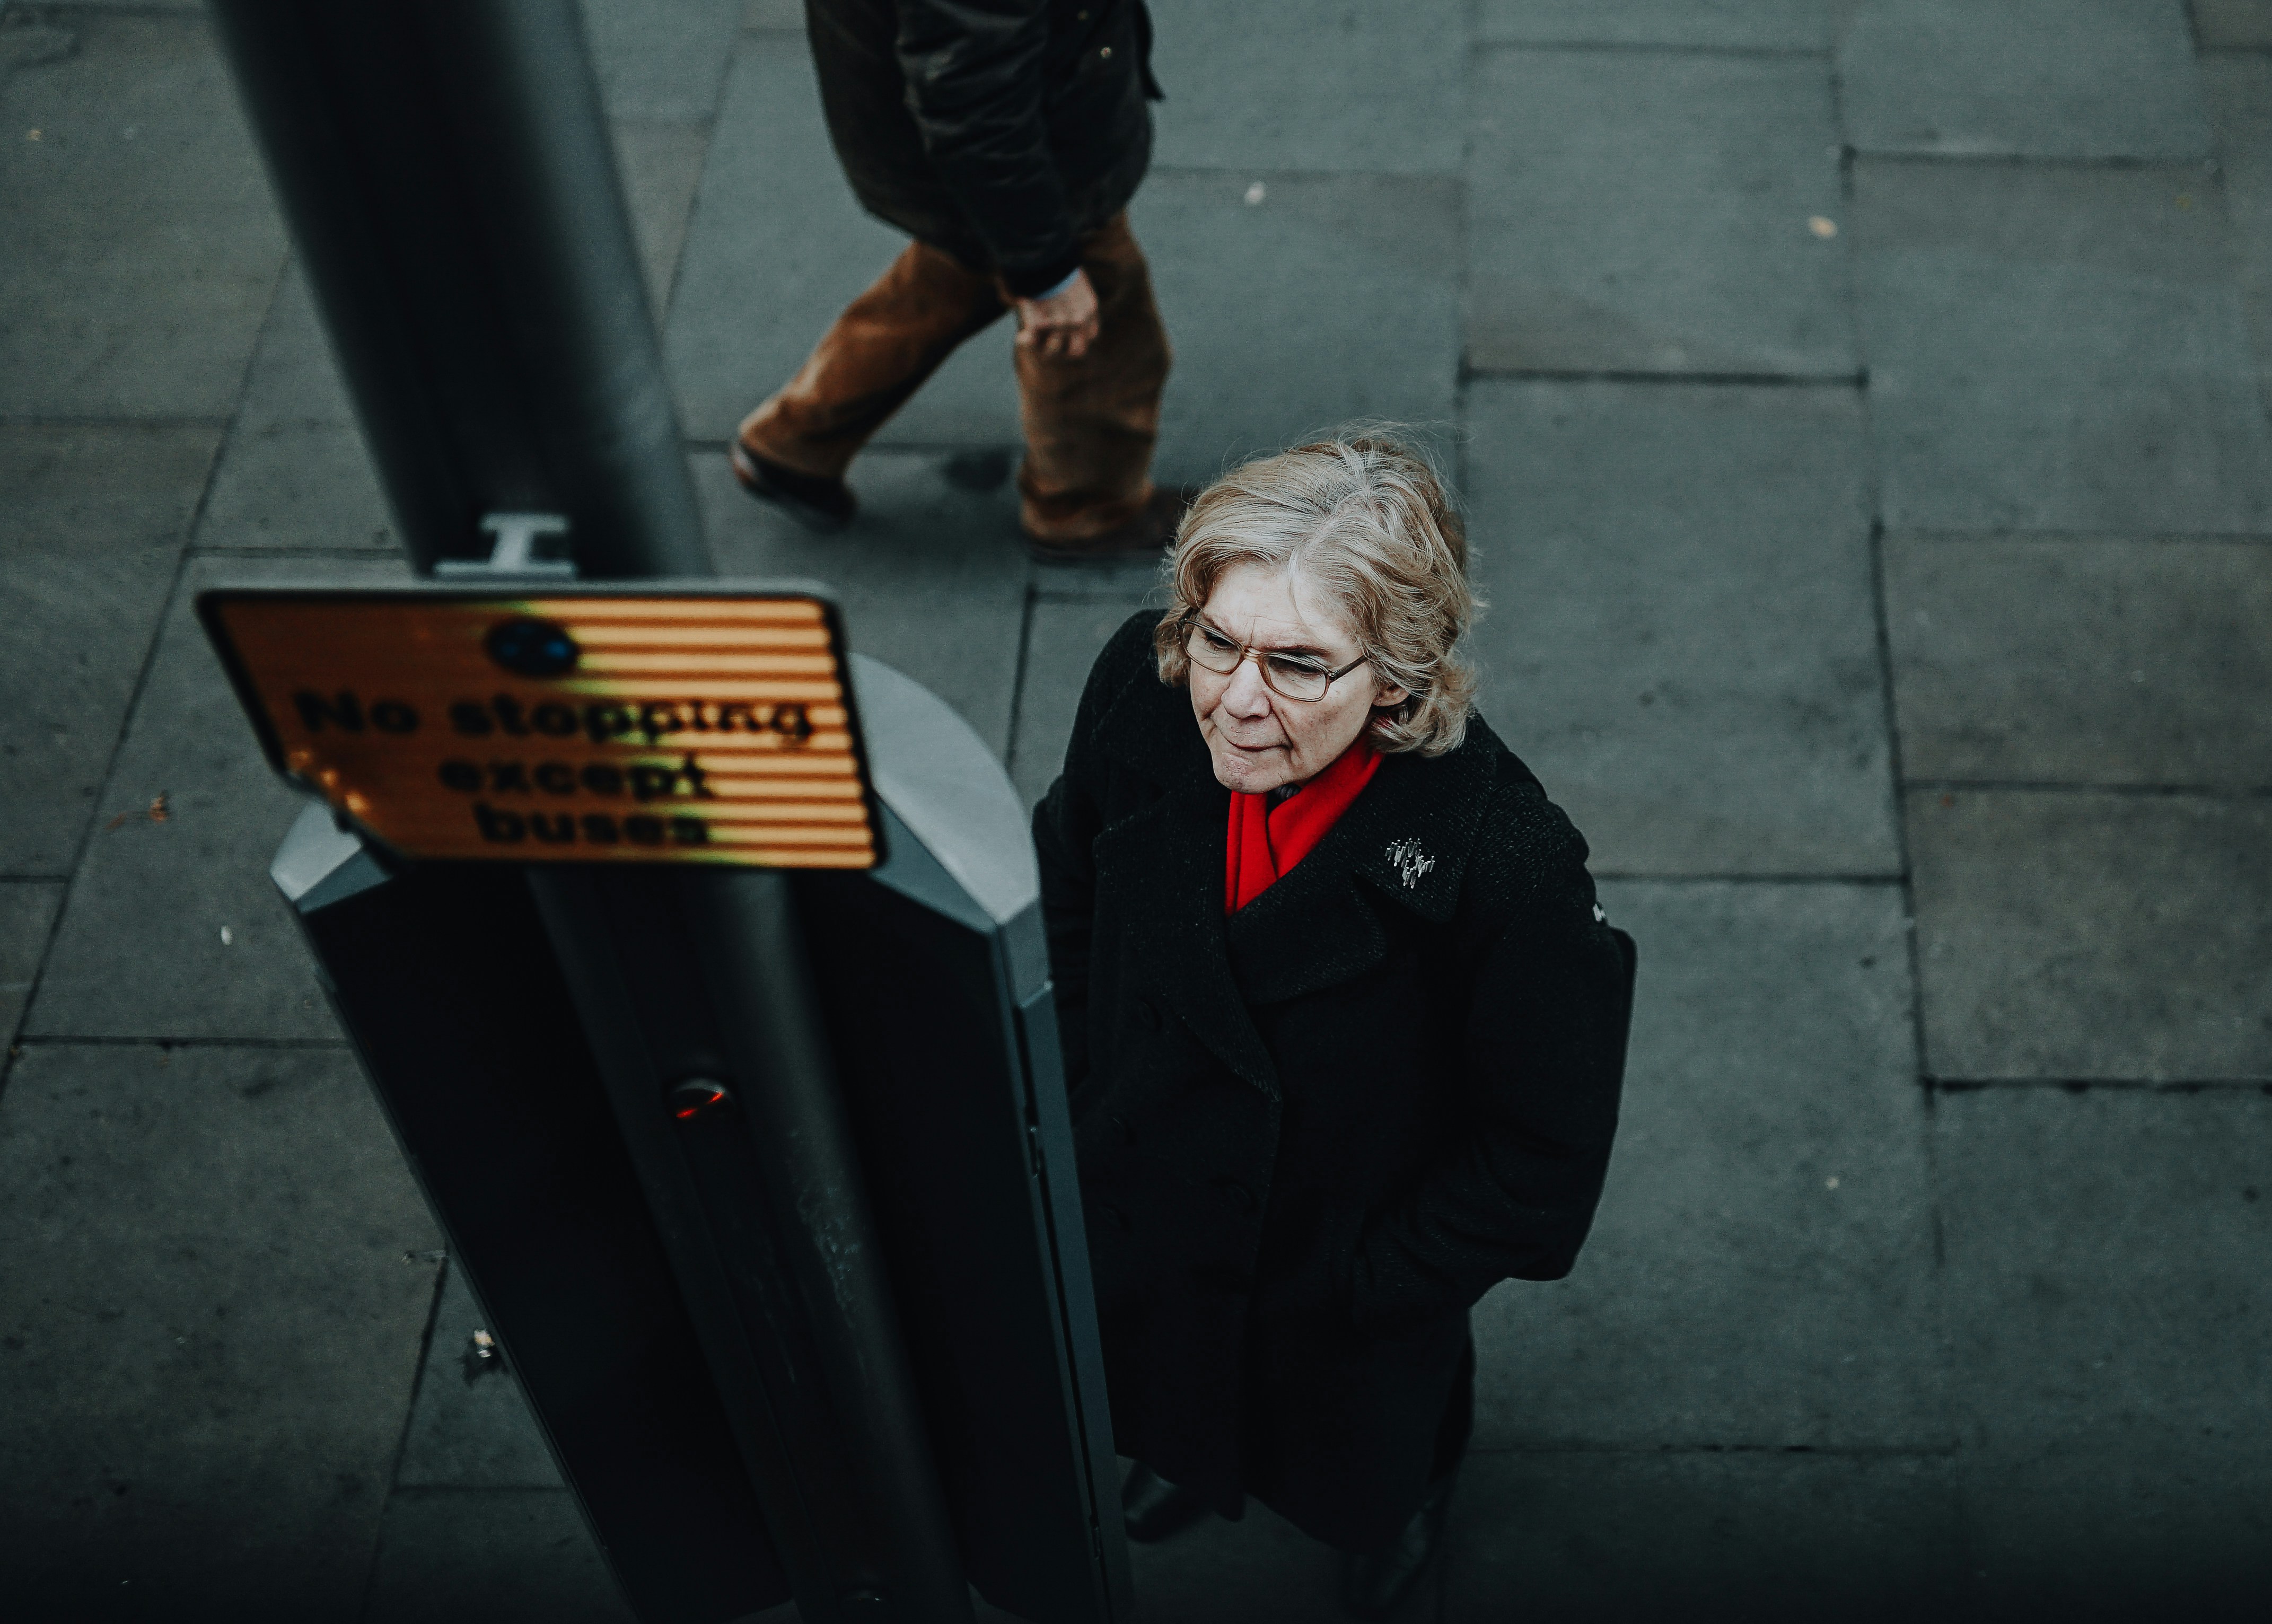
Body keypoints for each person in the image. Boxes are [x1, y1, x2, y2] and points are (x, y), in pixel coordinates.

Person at [1032, 435, 1635, 1617]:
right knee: (1162, 1374)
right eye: (1219, 639)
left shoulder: (1506, 866)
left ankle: (1407, 1499)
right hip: (1142, 1197)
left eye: (1300, 664)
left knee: (1354, 1454)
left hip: (1333, 1280)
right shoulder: (1144, 691)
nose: (1238, 699)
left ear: (1399, 681)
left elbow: (1542, 1162)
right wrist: (1080, 1088)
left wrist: (1363, 1285)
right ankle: (1187, 1453)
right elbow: (1068, 881)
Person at [733, 0, 1182, 563]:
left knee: (963, 269)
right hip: (1029, 156)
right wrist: (1047, 272)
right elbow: (976, 103)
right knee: (1103, 331)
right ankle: (1087, 507)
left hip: (940, 138)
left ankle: (798, 441)